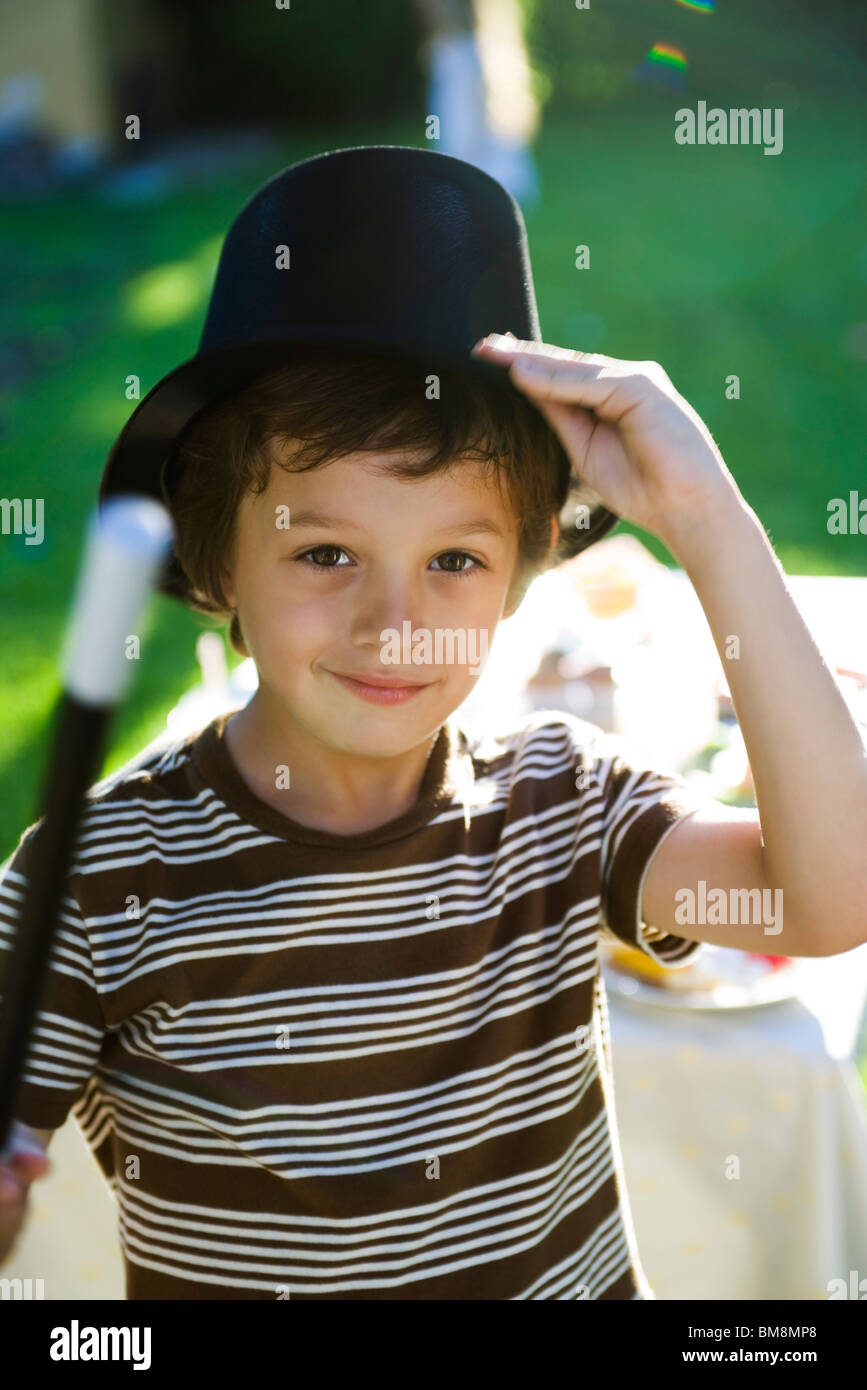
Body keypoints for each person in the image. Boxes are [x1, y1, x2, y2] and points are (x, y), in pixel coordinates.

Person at [1, 147, 865, 1299]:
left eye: (454, 559)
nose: (393, 622)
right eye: (324, 552)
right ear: (219, 561)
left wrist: (706, 516)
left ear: (525, 572)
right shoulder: (99, 882)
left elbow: (829, 895)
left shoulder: (565, 803)